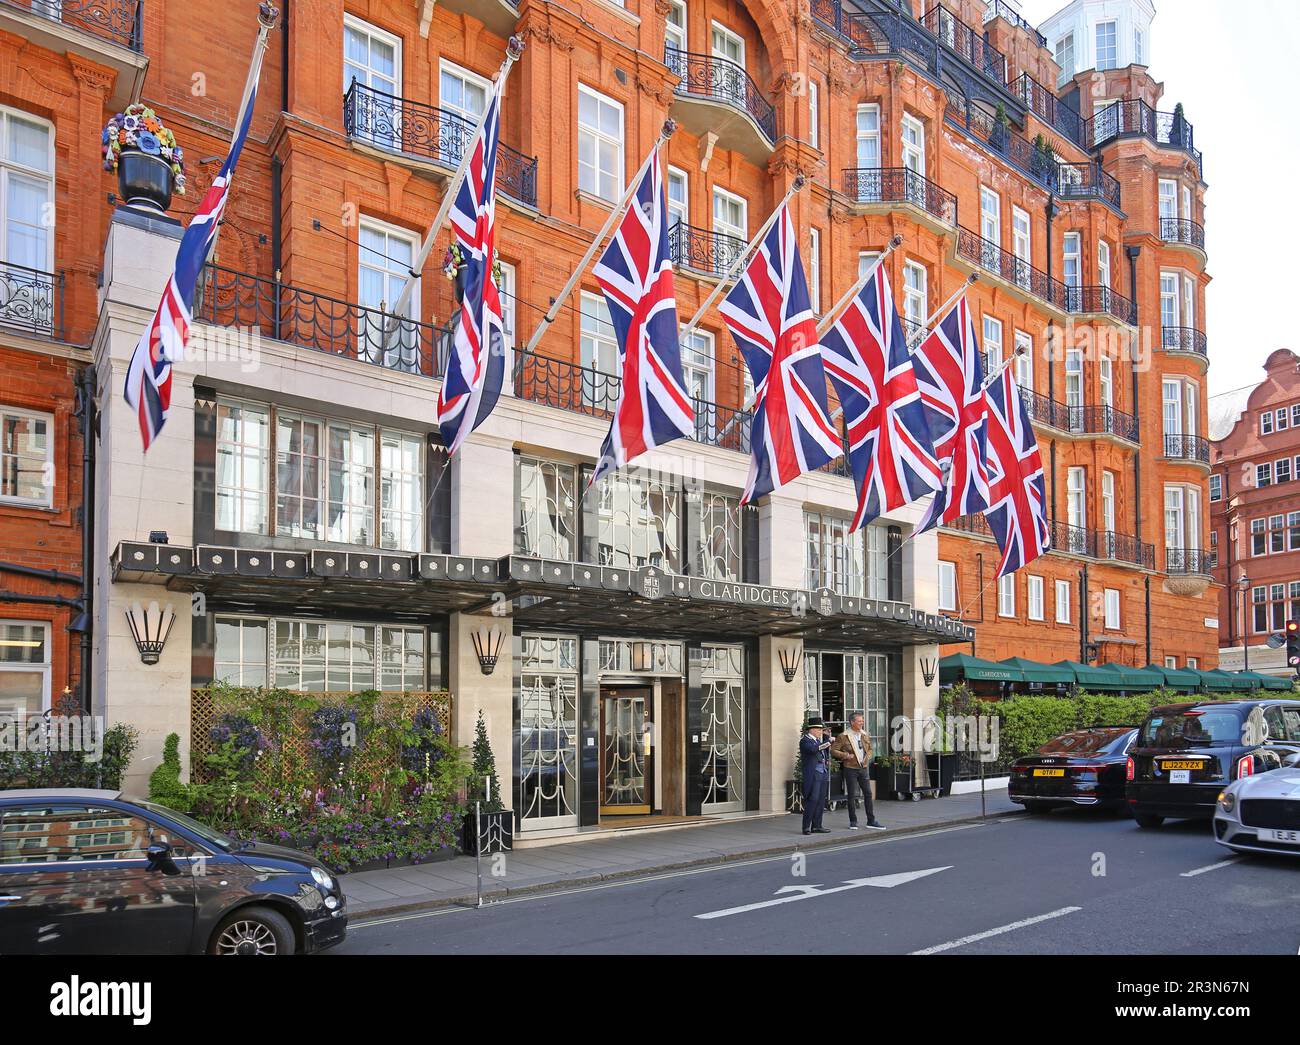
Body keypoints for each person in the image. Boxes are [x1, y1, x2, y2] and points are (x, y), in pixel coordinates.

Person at [831, 712, 885, 830]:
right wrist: (845, 755)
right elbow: (833, 750)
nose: (862, 723)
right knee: (851, 795)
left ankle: (871, 821)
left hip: (863, 768)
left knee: (868, 794)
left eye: (862, 721)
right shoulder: (843, 736)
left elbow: (870, 749)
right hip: (850, 768)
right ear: (852, 722)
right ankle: (853, 821)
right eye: (859, 721)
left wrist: (868, 756)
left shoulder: (864, 734)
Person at [800, 717, 832, 835]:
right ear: (812, 729)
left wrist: (827, 740)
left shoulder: (819, 740)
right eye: (819, 730)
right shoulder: (805, 740)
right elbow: (814, 750)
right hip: (813, 774)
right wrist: (828, 742)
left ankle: (817, 825)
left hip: (822, 772)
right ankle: (806, 827)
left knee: (820, 800)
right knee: (812, 800)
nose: (820, 732)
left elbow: (823, 753)